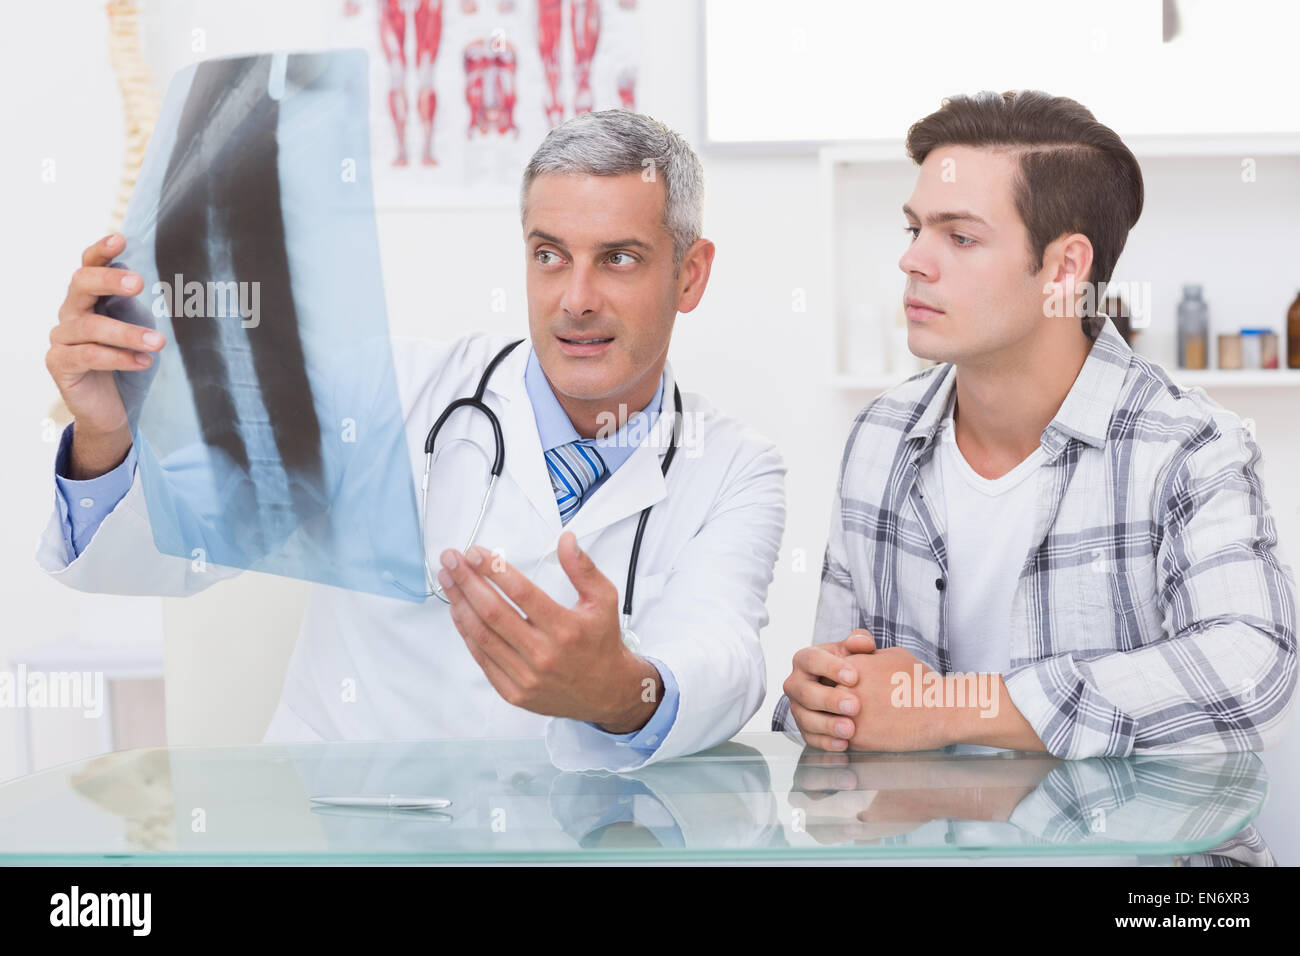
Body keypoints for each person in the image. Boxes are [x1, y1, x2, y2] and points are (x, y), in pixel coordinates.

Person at [39, 109, 786, 772]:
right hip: (344, 837)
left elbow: (725, 659)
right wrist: (107, 432)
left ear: (690, 276)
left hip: (575, 846)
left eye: (618, 258)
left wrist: (619, 690)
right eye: (549, 254)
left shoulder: (733, 467)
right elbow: (184, 545)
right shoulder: (385, 391)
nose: (576, 298)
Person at [776, 90, 1296, 762]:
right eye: (915, 230)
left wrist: (949, 707)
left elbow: (1253, 673)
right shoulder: (879, 437)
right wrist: (823, 704)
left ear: (1063, 269)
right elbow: (842, 699)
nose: (914, 261)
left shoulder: (1188, 446)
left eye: (959, 236)